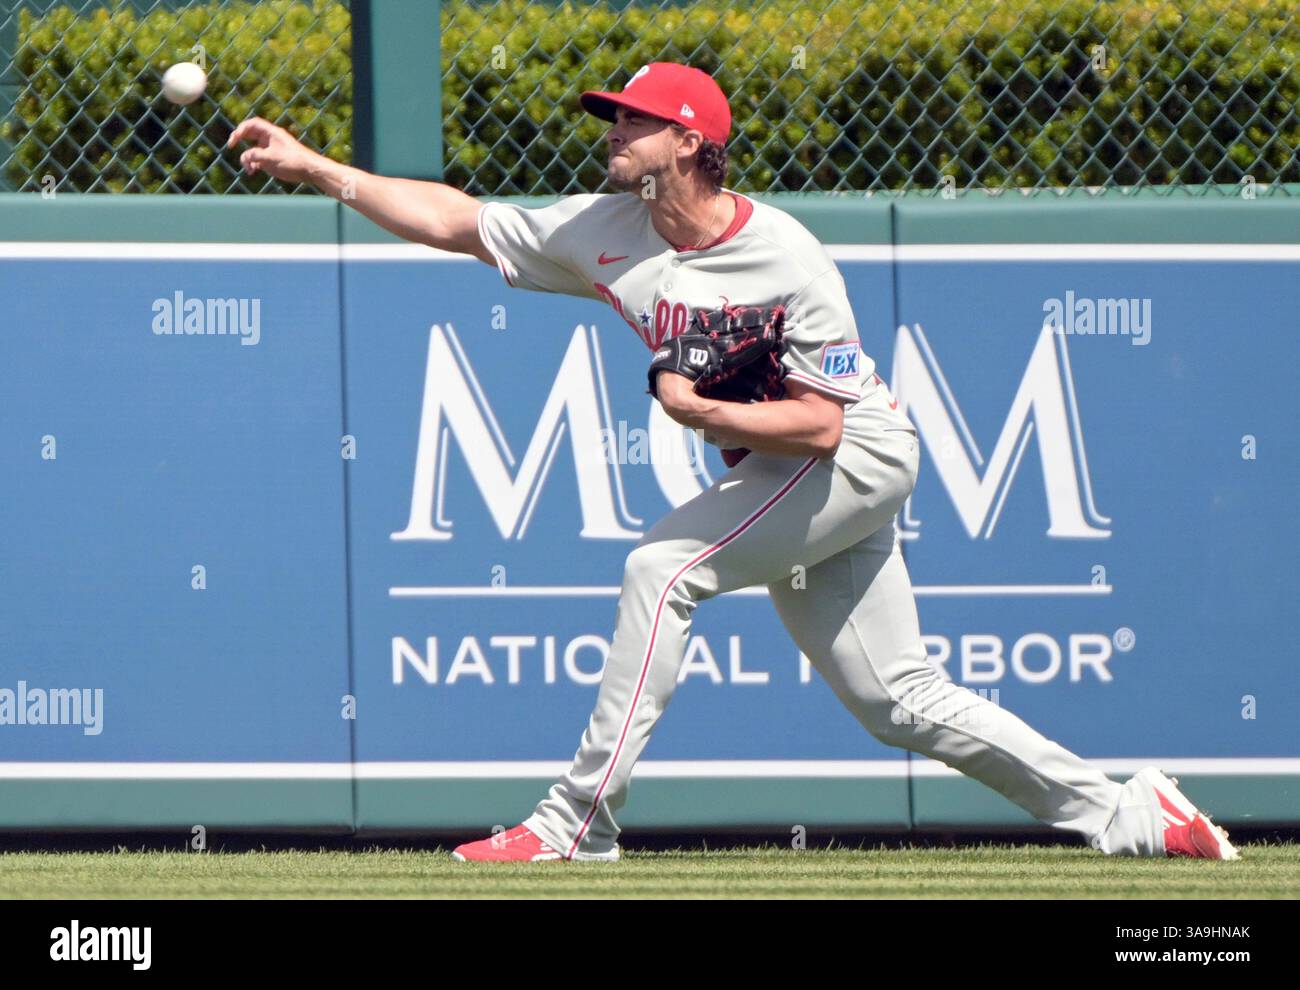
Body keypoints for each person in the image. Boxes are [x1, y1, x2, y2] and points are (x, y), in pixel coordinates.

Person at [228, 61, 1237, 864]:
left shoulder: (787, 257)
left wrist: (697, 406)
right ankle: (1129, 811)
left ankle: (575, 825)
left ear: (691, 144)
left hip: (852, 453)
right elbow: (456, 220)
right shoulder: (605, 230)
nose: (613, 133)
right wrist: (318, 166)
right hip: (782, 462)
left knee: (661, 568)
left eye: (634, 121)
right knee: (897, 700)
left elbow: (828, 426)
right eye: (613, 118)